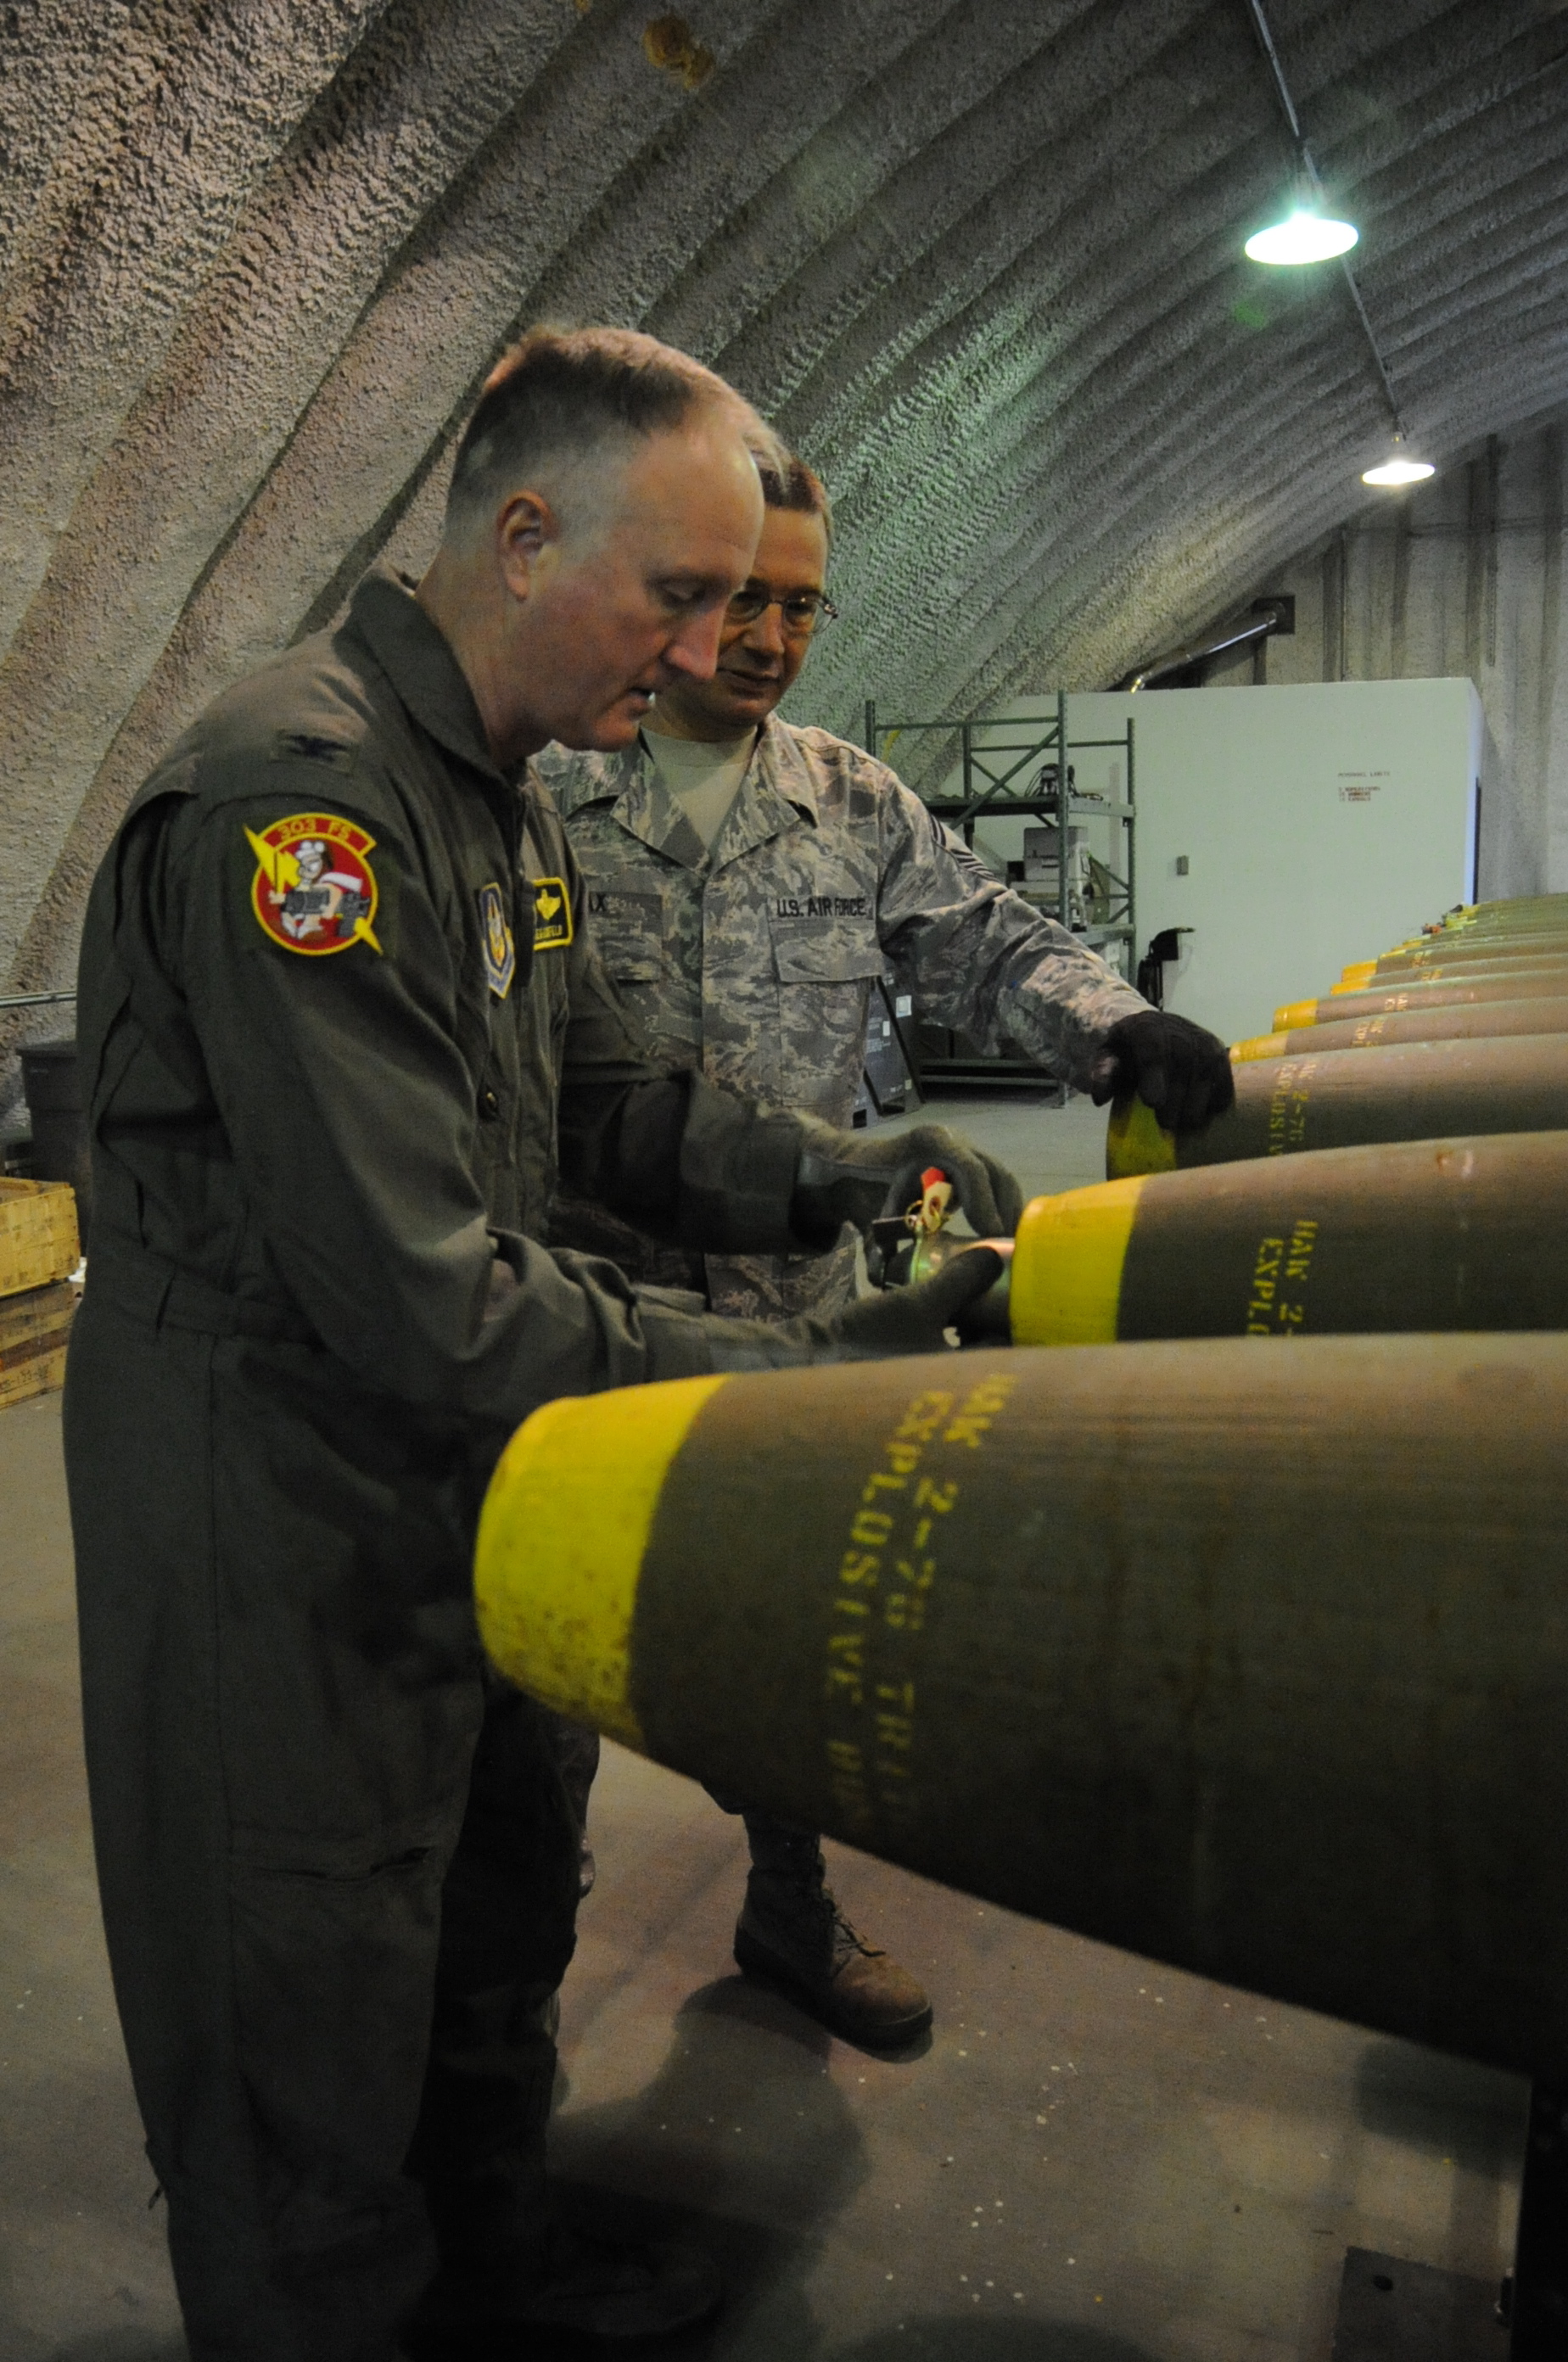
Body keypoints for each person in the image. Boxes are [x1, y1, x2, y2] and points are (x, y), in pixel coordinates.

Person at [62, 330, 1013, 2362]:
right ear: (521, 537)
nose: (709, 646)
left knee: (491, 1940)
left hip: (460, 1496)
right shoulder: (302, 814)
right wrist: (796, 1374)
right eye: (676, 591)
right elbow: (424, 1296)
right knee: (306, 2040)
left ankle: (492, 2279)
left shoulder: (502, 807)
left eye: (736, 599)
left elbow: (608, 1111)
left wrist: (843, 1169)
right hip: (280, 1546)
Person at [540, 453, 1235, 2051]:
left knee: (790, 1620)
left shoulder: (849, 799)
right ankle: (517, 1977)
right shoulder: (547, 788)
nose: (771, 638)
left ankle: (790, 1908)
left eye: (802, 607)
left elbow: (987, 937)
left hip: (800, 1299)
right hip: (589, 1298)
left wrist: (1118, 1025)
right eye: (740, 597)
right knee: (548, 1642)